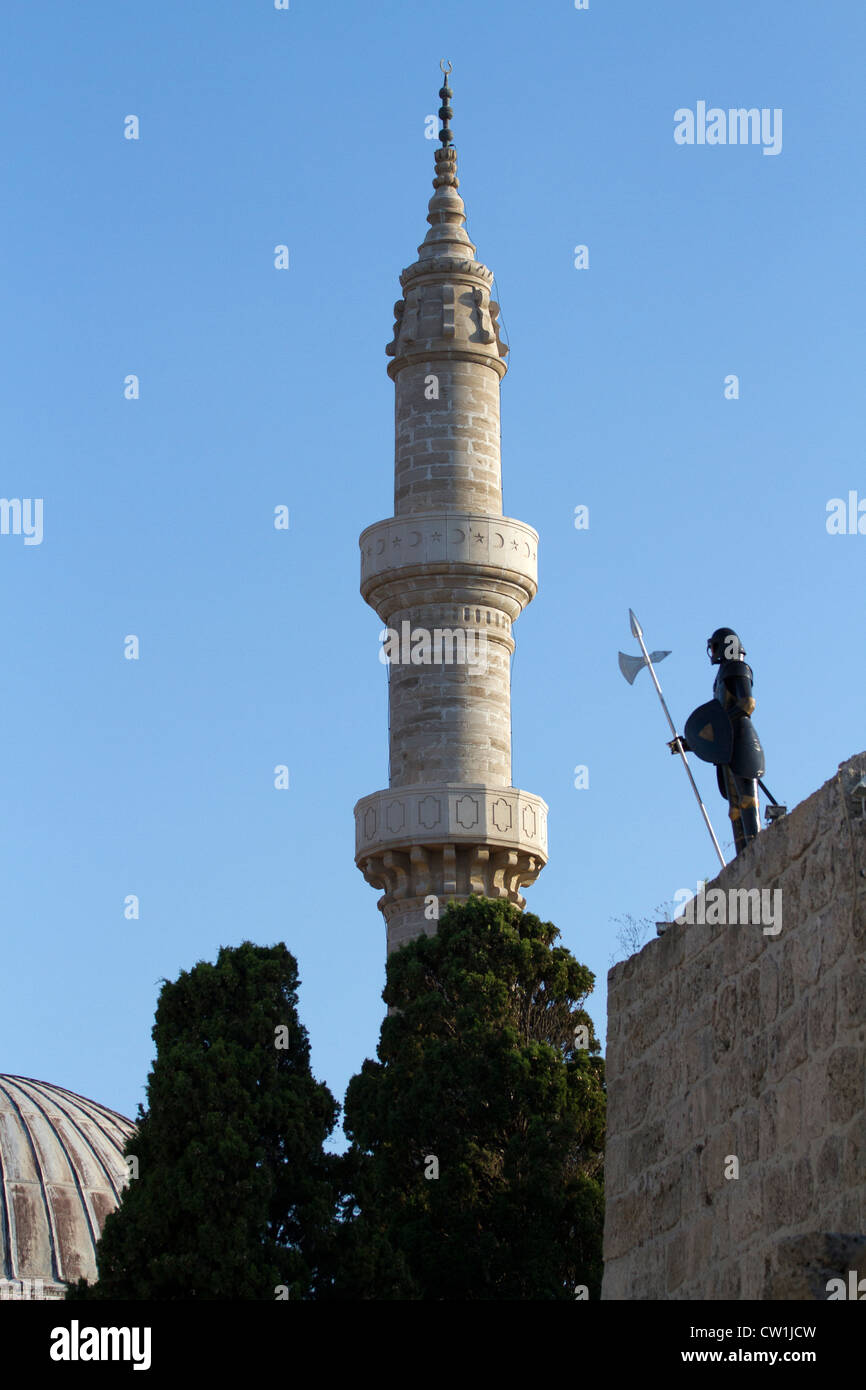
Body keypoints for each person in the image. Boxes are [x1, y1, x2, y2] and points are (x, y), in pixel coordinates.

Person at [669, 628, 764, 855]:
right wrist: (690, 744)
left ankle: (757, 847)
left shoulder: (736, 668)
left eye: (714, 646)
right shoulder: (719, 678)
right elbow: (716, 720)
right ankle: (743, 854)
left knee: (747, 798)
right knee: (734, 807)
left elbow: (747, 703)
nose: (711, 651)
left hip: (740, 738)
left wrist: (720, 727)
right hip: (726, 746)